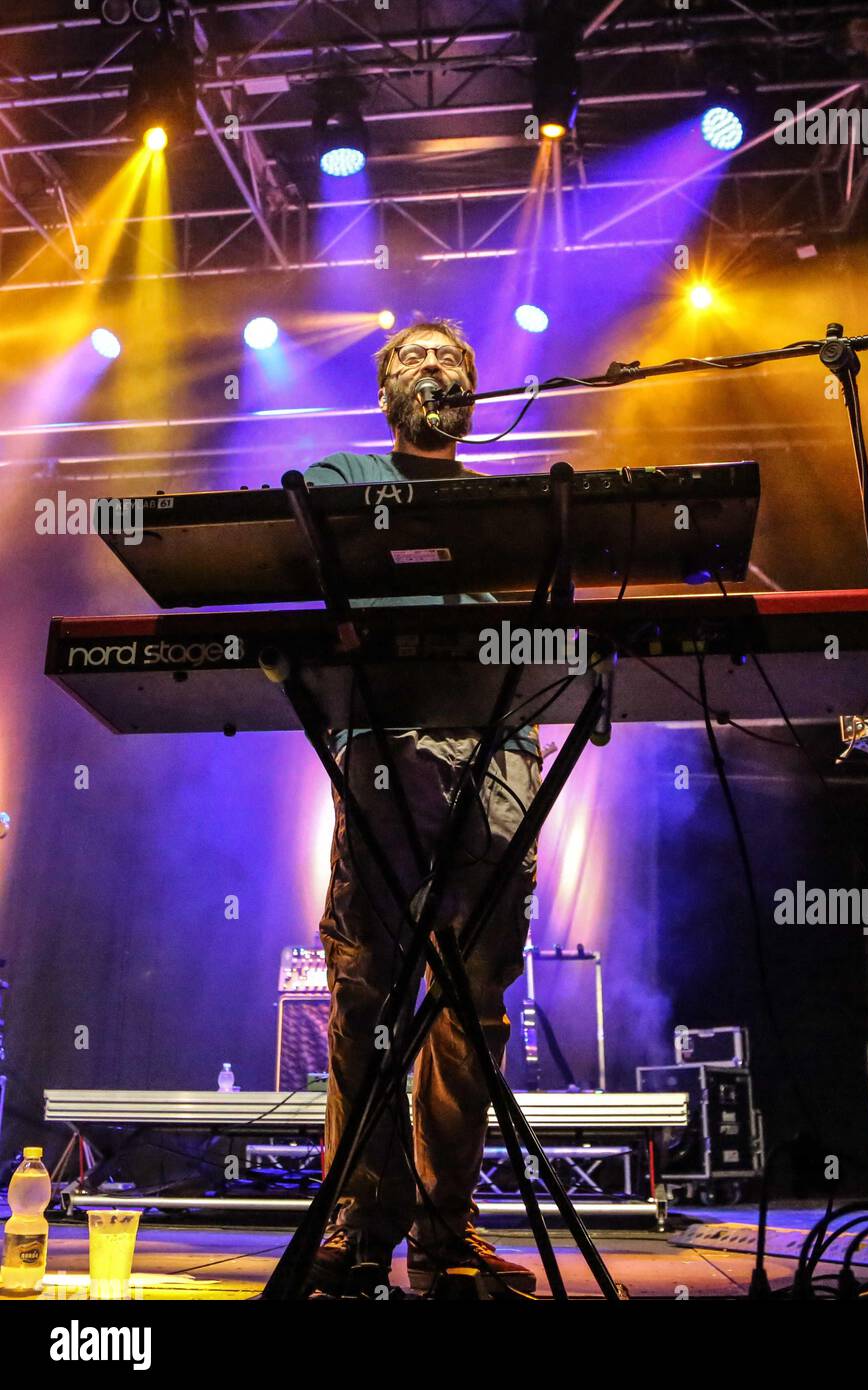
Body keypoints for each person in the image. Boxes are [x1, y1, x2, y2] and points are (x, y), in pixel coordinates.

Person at [305, 319, 542, 1298]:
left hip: (495, 747)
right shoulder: (337, 476)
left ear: (476, 393)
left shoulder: (518, 505)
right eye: (413, 358)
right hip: (383, 746)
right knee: (366, 992)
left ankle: (446, 1235)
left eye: (453, 359)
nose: (436, 368)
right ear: (383, 392)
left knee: (470, 1004)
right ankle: (363, 1217)